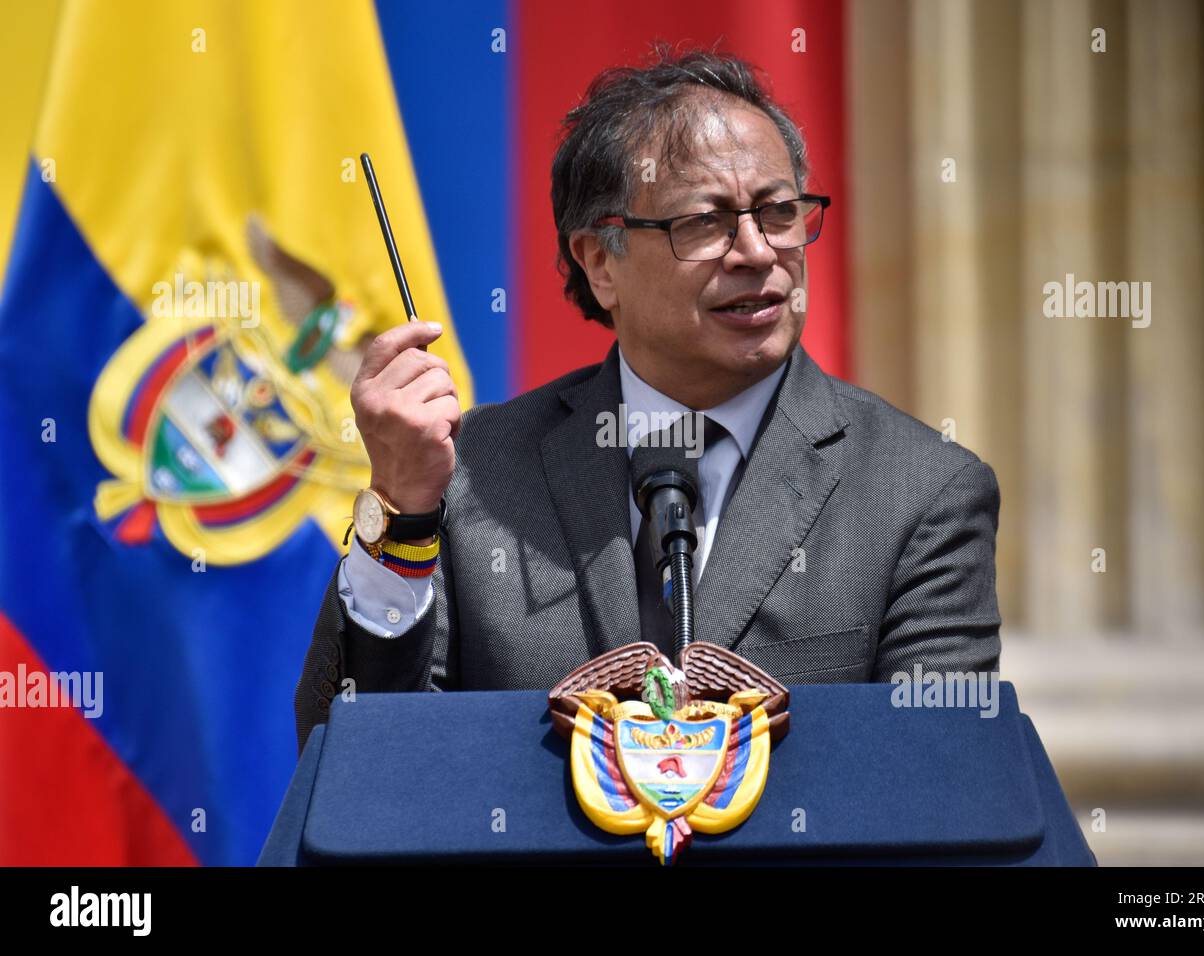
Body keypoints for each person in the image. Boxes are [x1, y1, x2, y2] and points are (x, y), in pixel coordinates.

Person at [294, 47, 1001, 753]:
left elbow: (940, 777)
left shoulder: (921, 491)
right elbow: (357, 764)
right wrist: (403, 513)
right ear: (601, 262)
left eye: (779, 212)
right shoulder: (472, 475)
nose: (757, 251)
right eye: (706, 222)